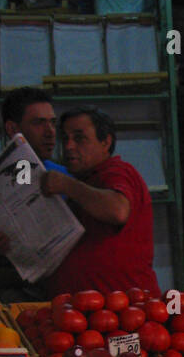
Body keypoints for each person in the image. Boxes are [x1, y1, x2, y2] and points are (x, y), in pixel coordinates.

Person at [41, 107, 161, 297]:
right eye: (65, 139)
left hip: (124, 313)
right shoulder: (84, 184)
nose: (69, 146)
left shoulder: (116, 171)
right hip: (80, 312)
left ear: (106, 142)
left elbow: (117, 210)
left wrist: (67, 184)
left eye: (79, 138)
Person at [0, 86, 65, 298]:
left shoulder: (68, 180)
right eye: (39, 123)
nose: (50, 132)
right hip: (16, 305)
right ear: (12, 129)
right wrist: (30, 275)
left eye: (52, 122)